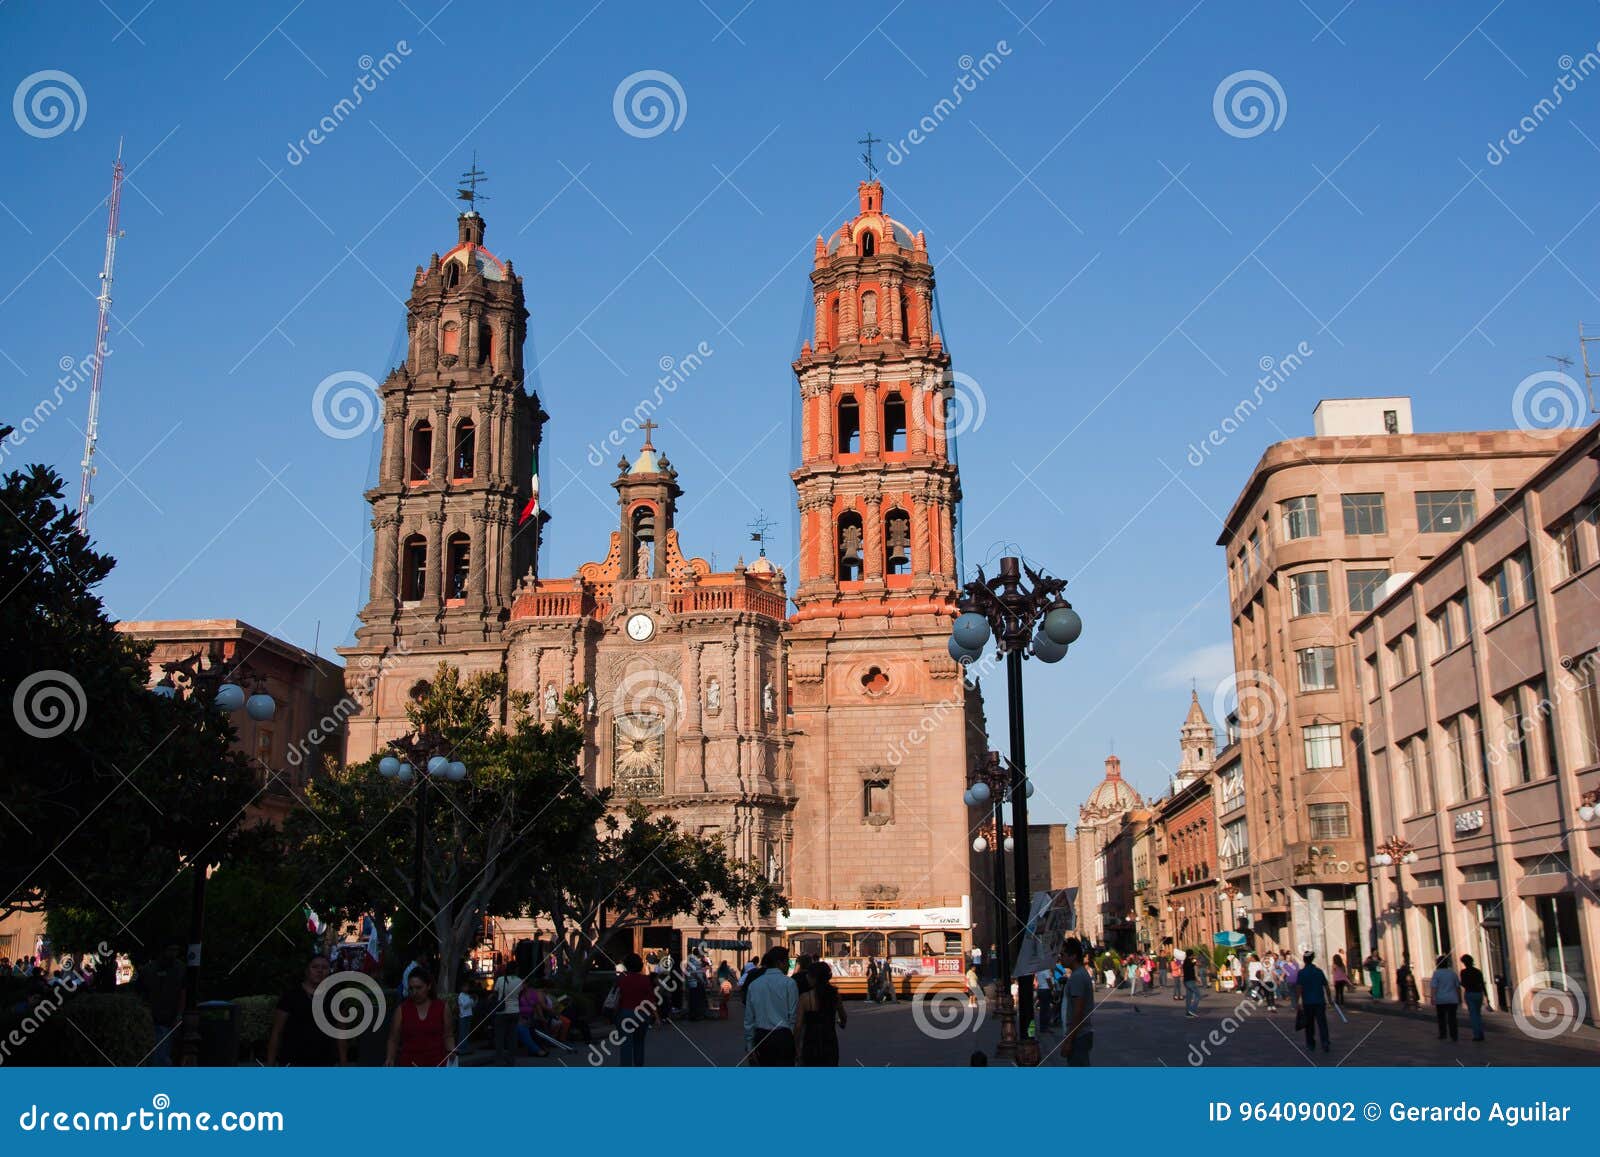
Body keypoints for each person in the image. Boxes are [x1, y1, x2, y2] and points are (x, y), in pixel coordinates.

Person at [266, 954, 346, 1066]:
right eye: (315, 967)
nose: (319, 971)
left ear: (329, 971)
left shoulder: (335, 997)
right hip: (293, 1061)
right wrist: (270, 1064)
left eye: (324, 968)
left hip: (325, 1062)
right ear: (307, 970)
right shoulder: (291, 996)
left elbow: (341, 1033)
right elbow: (276, 1032)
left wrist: (343, 1063)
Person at [386, 966, 454, 1067]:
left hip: (437, 1063)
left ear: (429, 986)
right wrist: (390, 1058)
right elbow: (393, 1039)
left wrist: (452, 1051)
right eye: (411, 988)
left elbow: (448, 1035)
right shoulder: (402, 1010)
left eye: (419, 987)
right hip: (409, 1064)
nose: (414, 992)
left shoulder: (442, 1008)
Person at [743, 946, 798, 1066]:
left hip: (761, 1036)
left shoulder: (754, 985)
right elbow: (793, 1015)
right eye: (787, 962)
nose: (789, 965)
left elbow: (749, 1019)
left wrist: (749, 1044)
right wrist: (791, 1038)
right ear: (779, 963)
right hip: (783, 1037)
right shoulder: (789, 983)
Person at [135, 943, 187, 1066]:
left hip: (168, 1018)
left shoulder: (179, 969)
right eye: (171, 950)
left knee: (162, 1053)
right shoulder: (150, 969)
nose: (173, 953)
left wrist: (179, 1015)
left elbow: (183, 992)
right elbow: (140, 992)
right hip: (156, 1017)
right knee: (160, 1053)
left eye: (175, 950)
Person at [795, 961, 847, 1066]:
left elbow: (798, 1026)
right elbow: (843, 1017)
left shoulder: (805, 998)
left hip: (811, 1041)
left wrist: (796, 1048)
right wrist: (840, 1022)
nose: (807, 978)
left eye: (808, 976)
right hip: (829, 1040)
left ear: (814, 978)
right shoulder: (834, 995)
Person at [614, 953, 659, 1067]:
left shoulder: (621, 979)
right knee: (639, 1043)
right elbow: (651, 1000)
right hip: (642, 1014)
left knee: (625, 1045)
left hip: (625, 1013)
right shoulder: (645, 980)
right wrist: (657, 1017)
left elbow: (616, 997)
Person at [1062, 938, 1094, 1067]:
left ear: (1073, 956)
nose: (1061, 958)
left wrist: (1069, 1040)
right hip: (1080, 1034)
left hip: (1078, 1036)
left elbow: (1078, 1011)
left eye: (1063, 955)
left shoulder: (1077, 977)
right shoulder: (1080, 974)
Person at [1297, 951, 1330, 1053]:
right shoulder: (1319, 972)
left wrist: (1298, 1001)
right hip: (1319, 1001)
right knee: (1322, 1024)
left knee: (1309, 1025)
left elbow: (1299, 988)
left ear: (1304, 960)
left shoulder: (1301, 973)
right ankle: (1325, 1042)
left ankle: (1311, 1043)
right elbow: (1326, 986)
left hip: (1308, 1003)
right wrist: (1330, 999)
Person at [492, 966, 524, 1065]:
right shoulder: (520, 981)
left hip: (501, 1012)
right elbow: (520, 994)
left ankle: (499, 1059)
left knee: (499, 1037)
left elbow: (495, 992)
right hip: (514, 1010)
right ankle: (511, 1059)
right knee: (512, 1037)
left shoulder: (500, 979)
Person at [1430, 954, 1461, 1041]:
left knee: (1441, 1017)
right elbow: (1457, 986)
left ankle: (1443, 1034)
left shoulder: (1436, 974)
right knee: (1452, 1018)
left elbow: (1434, 987)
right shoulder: (1452, 973)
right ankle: (1454, 1035)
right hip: (1452, 998)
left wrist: (1432, 997)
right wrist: (1459, 997)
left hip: (1441, 999)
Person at [1460, 954, 1487, 1041]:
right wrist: (1486, 995)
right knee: (1478, 1014)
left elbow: (1463, 984)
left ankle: (1477, 1034)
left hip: (1470, 993)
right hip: (1478, 993)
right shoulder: (1478, 971)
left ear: (1464, 963)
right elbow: (1482, 984)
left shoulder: (1463, 972)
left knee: (1473, 1014)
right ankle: (1481, 1032)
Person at [456, 982, 476, 1052]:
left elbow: (472, 1005)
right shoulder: (460, 996)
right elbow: (464, 1005)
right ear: (462, 988)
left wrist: (472, 1000)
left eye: (468, 987)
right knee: (462, 1032)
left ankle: (465, 1047)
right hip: (463, 1016)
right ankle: (461, 1048)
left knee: (467, 1032)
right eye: (465, 987)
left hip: (469, 1015)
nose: (467, 988)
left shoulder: (468, 995)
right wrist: (470, 1000)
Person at [1181, 949, 1201, 1017]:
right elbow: (1197, 963)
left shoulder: (1185, 961)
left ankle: (1188, 1012)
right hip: (1190, 981)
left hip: (1186, 981)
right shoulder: (1191, 960)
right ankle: (1192, 1010)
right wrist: (1195, 959)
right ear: (1191, 954)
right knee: (1198, 995)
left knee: (1189, 997)